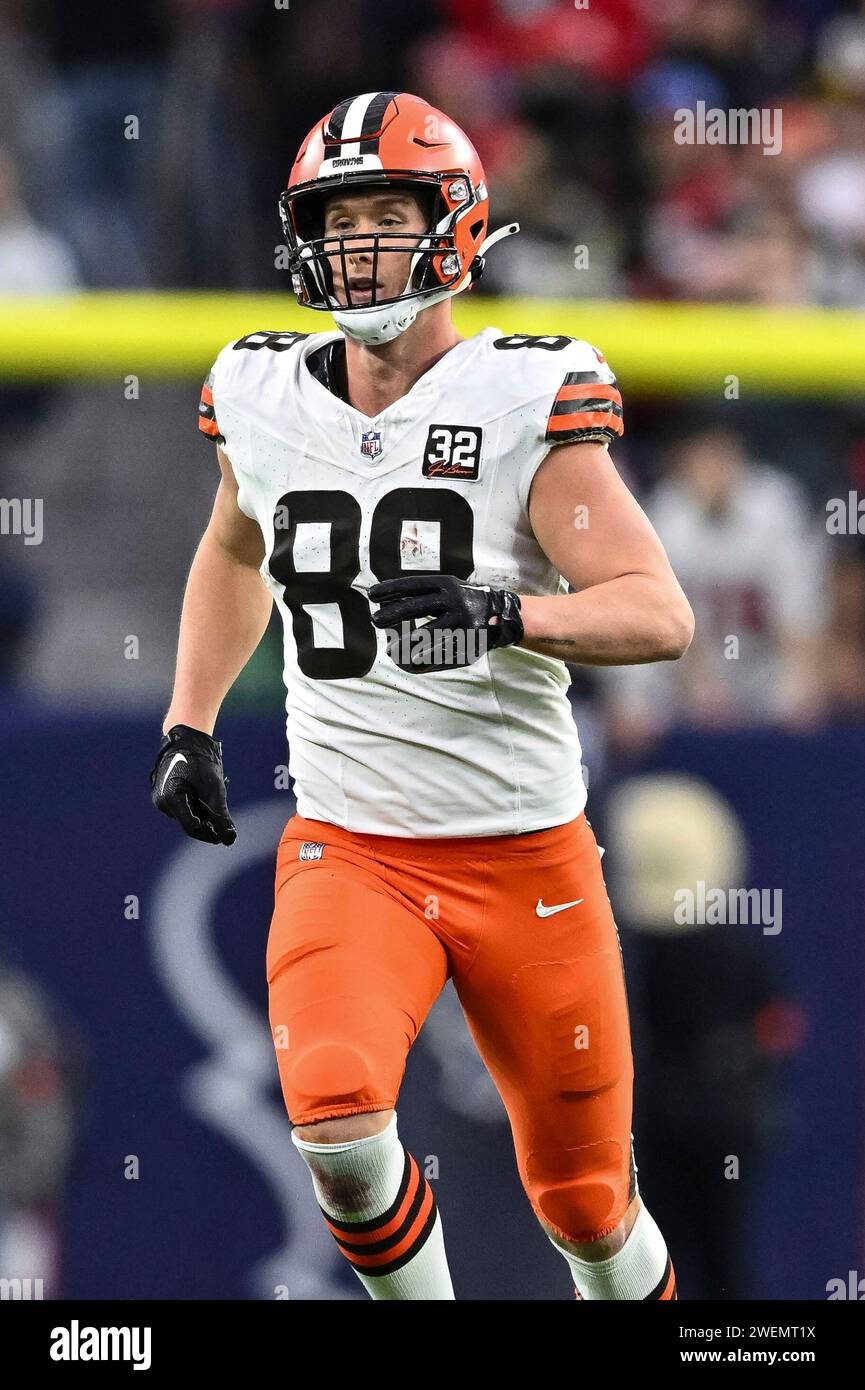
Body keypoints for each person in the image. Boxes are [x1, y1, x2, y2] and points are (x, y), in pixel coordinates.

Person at [150, 91, 694, 1301]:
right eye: (334, 221)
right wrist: (191, 715)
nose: (355, 246)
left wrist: (511, 615)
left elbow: (659, 613)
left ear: (452, 227)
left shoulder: (522, 399)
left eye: (384, 216)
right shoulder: (261, 393)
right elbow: (235, 549)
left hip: (523, 853)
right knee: (339, 1125)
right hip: (353, 845)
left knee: (590, 1209)